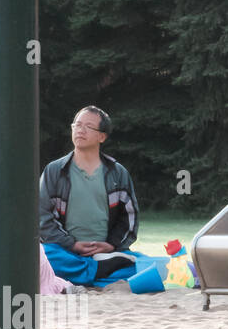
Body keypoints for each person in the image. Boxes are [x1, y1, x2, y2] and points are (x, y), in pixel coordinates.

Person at [38, 106, 148, 287]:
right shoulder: (54, 170)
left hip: (106, 252)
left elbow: (129, 217)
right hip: (64, 251)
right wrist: (72, 245)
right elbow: (43, 218)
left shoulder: (117, 173)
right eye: (77, 125)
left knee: (146, 265)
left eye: (88, 126)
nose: (80, 130)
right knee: (41, 255)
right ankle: (100, 270)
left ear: (102, 136)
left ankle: (89, 270)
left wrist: (111, 245)